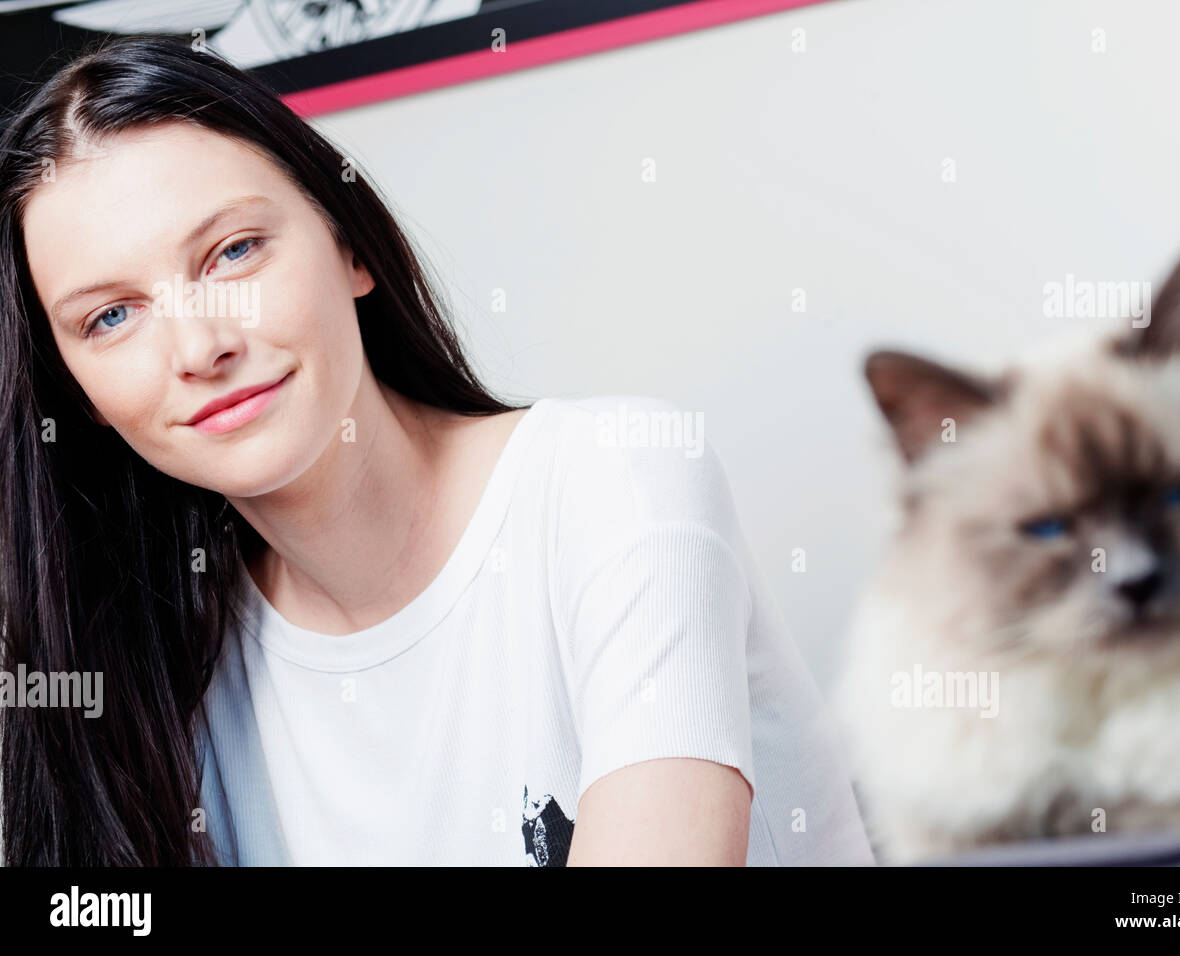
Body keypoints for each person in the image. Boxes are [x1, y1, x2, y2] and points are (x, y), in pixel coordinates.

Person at [0, 34, 873, 866]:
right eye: (110, 316)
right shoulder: (160, 676)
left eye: (233, 251)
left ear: (350, 247)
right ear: (80, 394)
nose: (199, 349)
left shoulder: (617, 478)